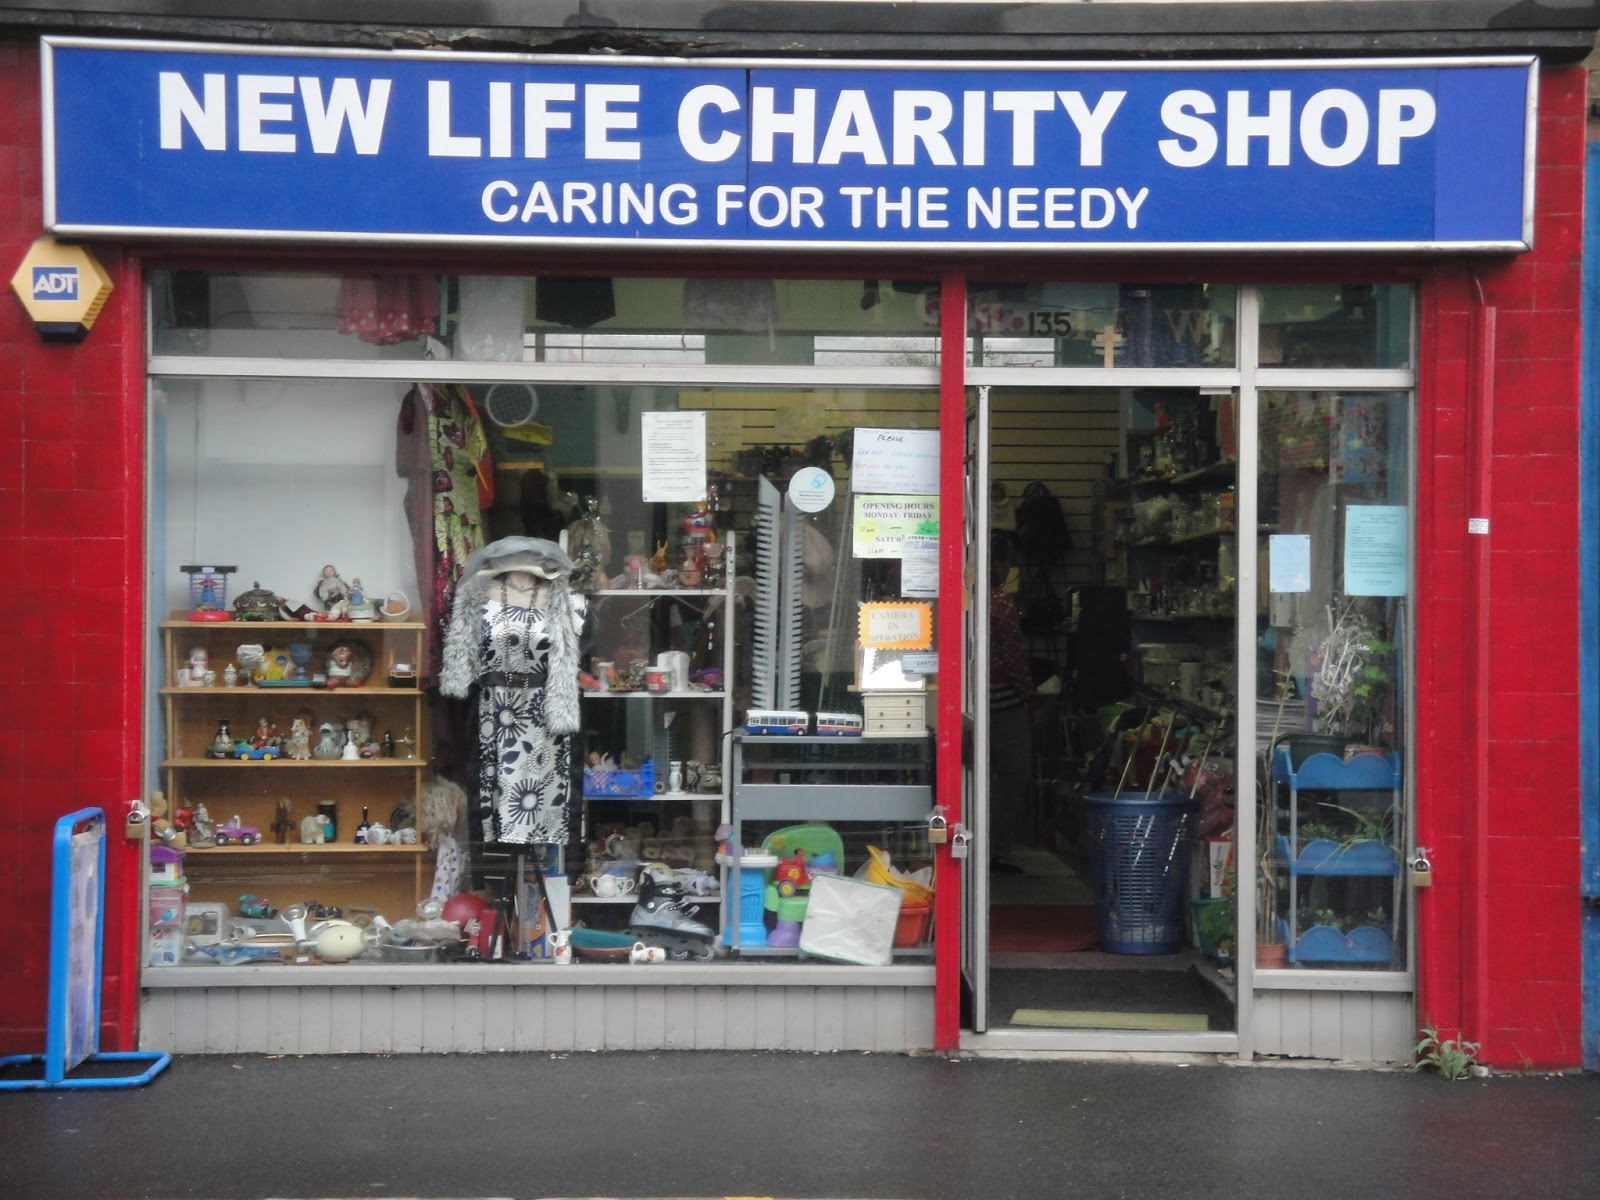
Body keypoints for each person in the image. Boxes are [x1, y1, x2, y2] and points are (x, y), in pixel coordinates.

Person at [440, 537, 588, 846]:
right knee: (493, 793)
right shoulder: (478, 599)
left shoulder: (568, 602)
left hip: (543, 714)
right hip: (494, 711)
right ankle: (505, 861)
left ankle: (539, 852)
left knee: (542, 794)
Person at [989, 534, 1037, 871]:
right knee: (1012, 776)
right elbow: (1014, 659)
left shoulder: (961, 599)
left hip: (968, 703)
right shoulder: (1001, 604)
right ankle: (996, 849)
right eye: (1006, 562)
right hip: (1004, 704)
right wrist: (1031, 698)